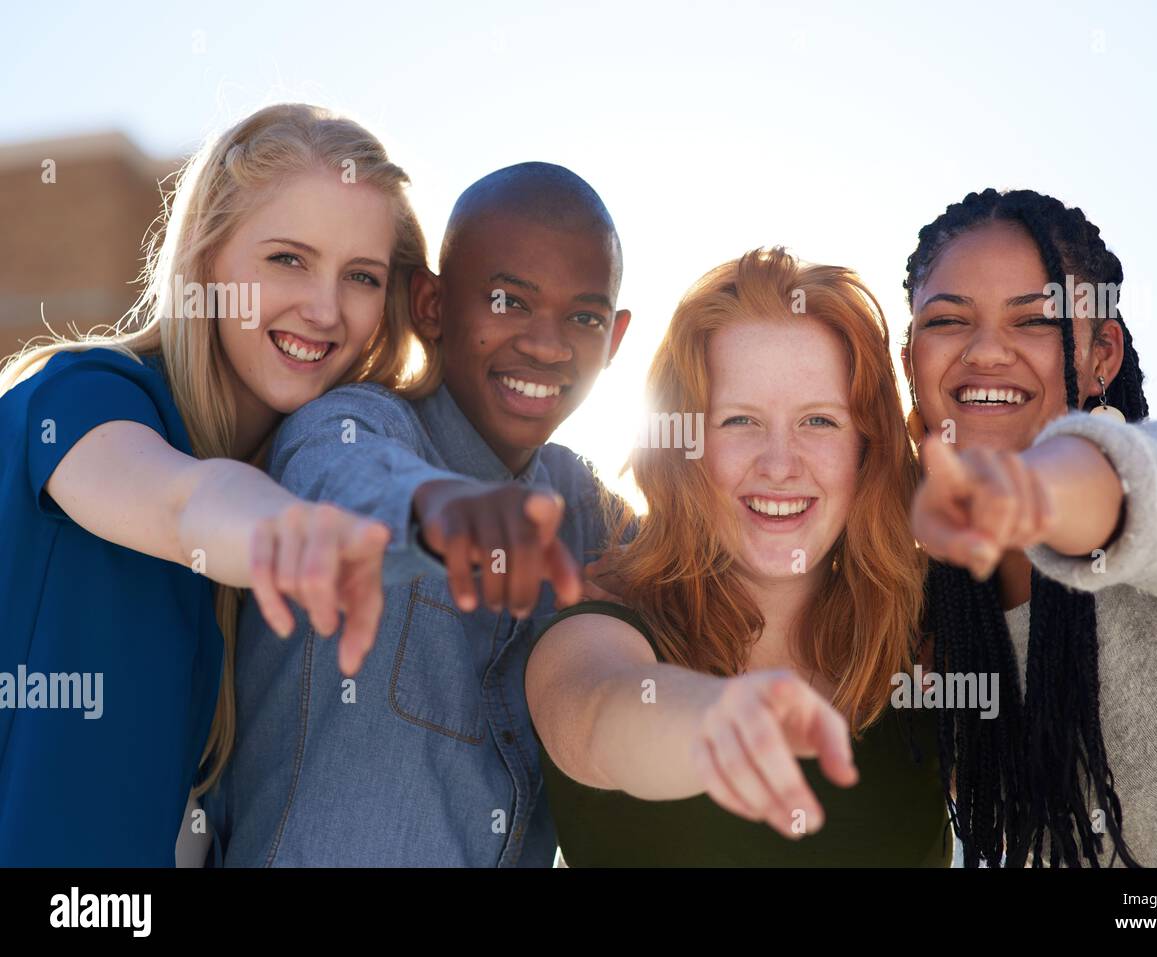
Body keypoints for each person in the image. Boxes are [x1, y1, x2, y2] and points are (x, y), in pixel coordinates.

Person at [0, 102, 433, 865]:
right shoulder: (83, 397)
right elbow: (182, 504)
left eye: (360, 276)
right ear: (205, 261)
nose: (325, 308)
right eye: (287, 259)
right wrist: (293, 538)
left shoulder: (306, 467)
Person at [208, 162, 635, 867]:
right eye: (507, 300)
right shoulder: (355, 423)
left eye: (583, 317)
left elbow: (703, 570)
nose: (548, 344)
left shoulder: (586, 508)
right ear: (432, 305)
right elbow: (337, 477)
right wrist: (437, 506)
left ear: (615, 339)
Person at [902, 187, 1157, 867]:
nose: (987, 351)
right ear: (911, 358)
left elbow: (1115, 482)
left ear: (1102, 356)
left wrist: (1026, 489)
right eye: (948, 321)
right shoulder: (930, 622)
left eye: (1032, 321)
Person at [526, 248, 952, 866]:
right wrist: (713, 721)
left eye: (819, 422)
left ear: (867, 451)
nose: (779, 465)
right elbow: (598, 717)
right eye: (740, 420)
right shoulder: (603, 627)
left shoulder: (932, 642)